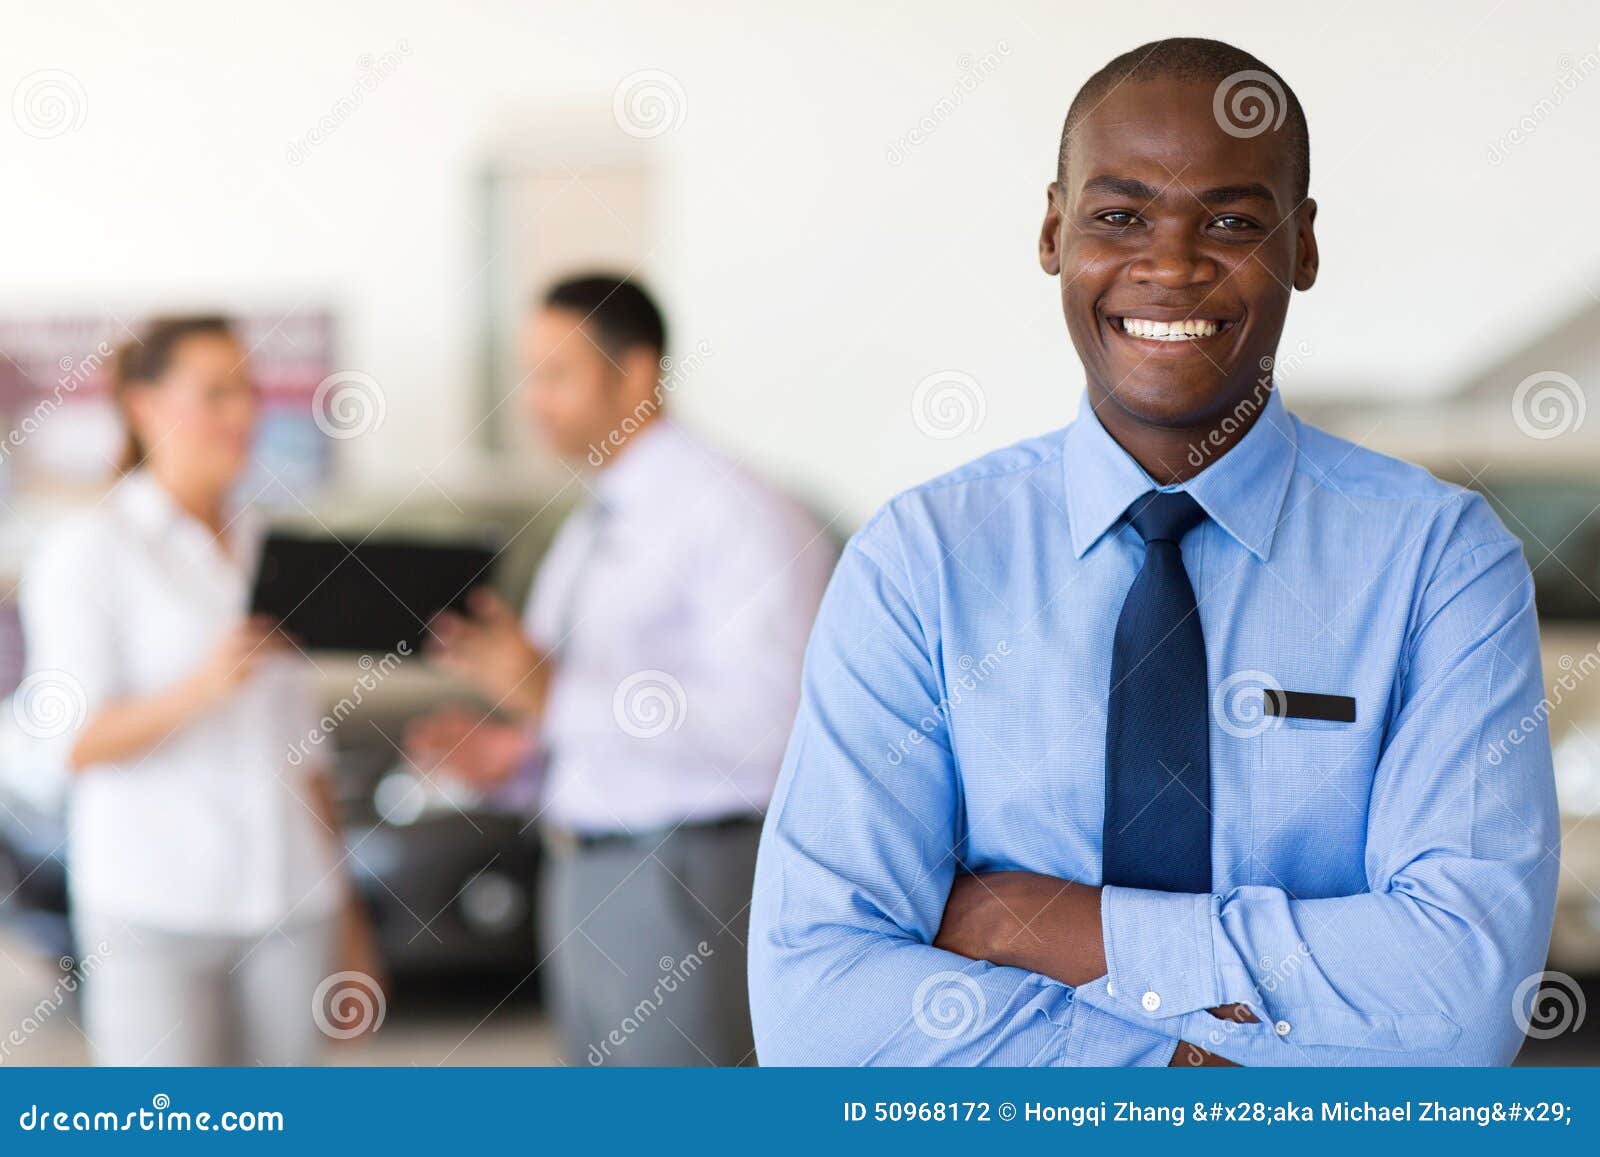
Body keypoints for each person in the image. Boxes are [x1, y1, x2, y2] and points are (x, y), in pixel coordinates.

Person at [748, 38, 1560, 1067]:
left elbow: (1459, 1007)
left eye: (1228, 220)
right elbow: (817, 1018)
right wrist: (1190, 1073)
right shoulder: (920, 561)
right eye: (1119, 216)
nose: (1170, 264)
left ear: (1301, 246)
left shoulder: (1439, 563)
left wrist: (1030, 923)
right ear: (1054, 232)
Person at [407, 275, 834, 1066]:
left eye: (557, 374)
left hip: (683, 878)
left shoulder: (737, 513)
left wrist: (553, 696)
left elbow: (772, 726)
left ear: (635, 374)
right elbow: (579, 708)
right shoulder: (594, 519)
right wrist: (515, 757)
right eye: (529, 375)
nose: (533, 401)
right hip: (585, 875)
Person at [18, 316, 378, 1065]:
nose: (242, 413)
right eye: (215, 393)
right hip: (155, 909)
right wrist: (205, 686)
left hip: (291, 901)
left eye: (247, 390)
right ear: (144, 407)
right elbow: (71, 741)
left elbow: (302, 744)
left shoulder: (268, 541)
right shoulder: (90, 548)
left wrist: (349, 917)